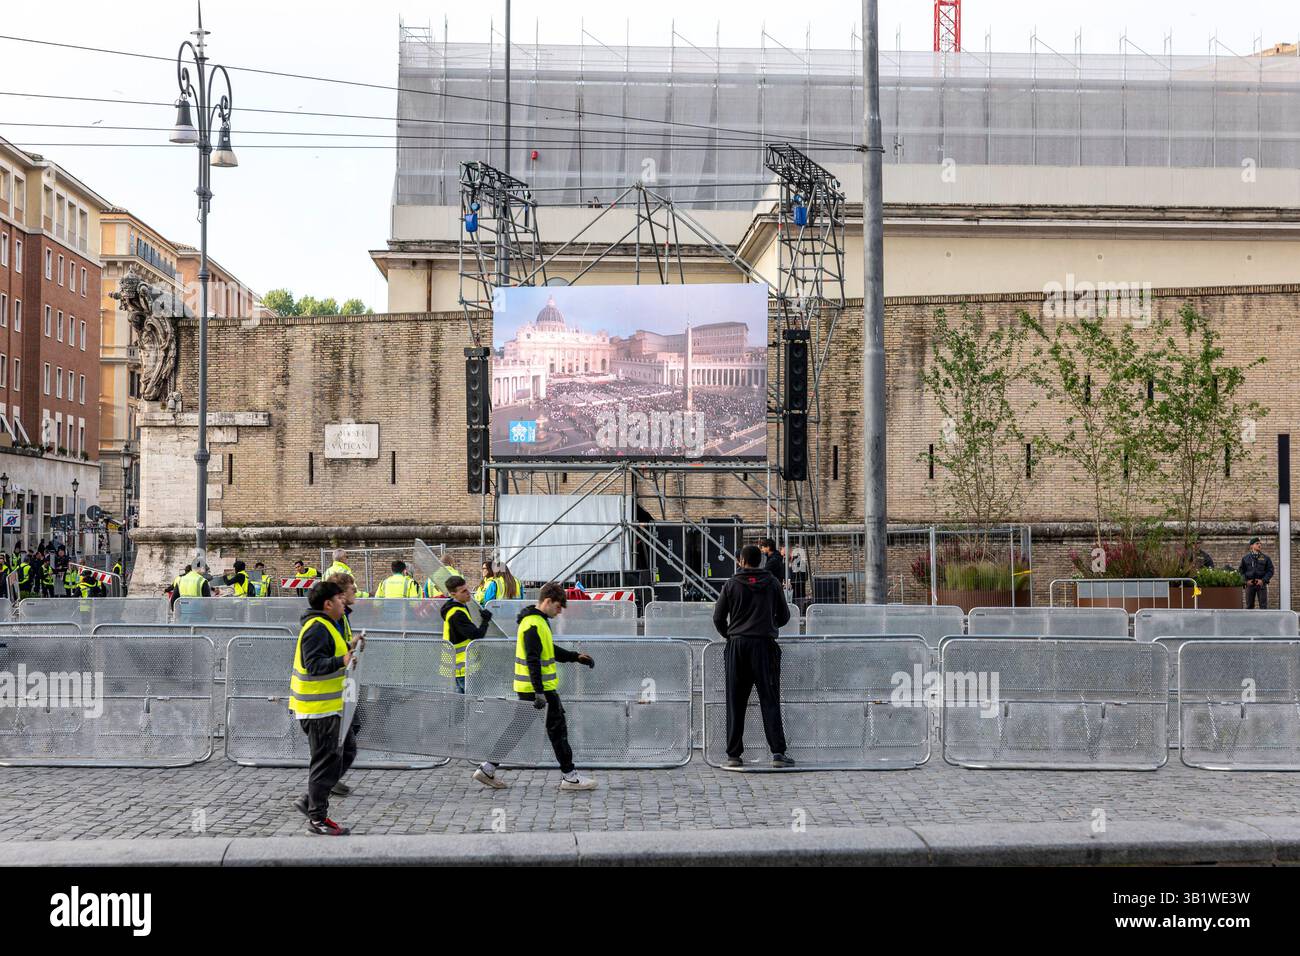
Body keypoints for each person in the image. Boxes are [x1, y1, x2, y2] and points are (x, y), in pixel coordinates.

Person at [475, 582, 598, 791]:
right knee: (557, 731)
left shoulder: (536, 621)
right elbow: (532, 659)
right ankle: (570, 777)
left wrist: (575, 657)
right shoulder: (534, 624)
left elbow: (548, 650)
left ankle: (487, 768)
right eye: (558, 607)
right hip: (539, 690)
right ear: (548, 601)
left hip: (530, 688)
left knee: (517, 728)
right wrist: (540, 692)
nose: (559, 612)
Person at [289, 579, 362, 836]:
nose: (344, 602)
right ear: (328, 604)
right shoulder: (316, 628)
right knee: (324, 762)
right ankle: (317, 818)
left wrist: (351, 649)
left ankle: (311, 801)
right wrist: (343, 659)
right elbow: (315, 665)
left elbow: (334, 657)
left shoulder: (328, 625)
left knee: (347, 752)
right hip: (319, 709)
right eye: (340, 599)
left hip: (332, 707)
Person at [712, 544, 794, 769]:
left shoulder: (731, 585)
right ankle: (777, 753)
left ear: (741, 561)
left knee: (735, 701)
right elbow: (785, 615)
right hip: (764, 646)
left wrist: (730, 635)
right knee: (770, 699)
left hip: (738, 646)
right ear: (761, 561)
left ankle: (734, 754)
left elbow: (718, 618)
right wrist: (769, 625)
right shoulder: (772, 583)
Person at [441, 575, 495, 693]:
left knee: (462, 704)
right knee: (468, 703)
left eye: (467, 589)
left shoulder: (456, 607)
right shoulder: (457, 614)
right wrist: (485, 621)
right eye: (463, 591)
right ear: (453, 594)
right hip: (462, 668)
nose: (468, 593)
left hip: (460, 667)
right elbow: (476, 635)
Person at [1239, 537, 1275, 609]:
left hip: (1261, 585)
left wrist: (1263, 580)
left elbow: (1270, 570)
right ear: (1251, 546)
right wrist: (1245, 581)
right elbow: (1241, 571)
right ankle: (1249, 620)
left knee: (1263, 606)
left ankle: (1263, 620)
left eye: (1260, 544)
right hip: (1250, 585)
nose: (1259, 545)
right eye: (1257, 543)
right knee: (1249, 606)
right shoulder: (1245, 558)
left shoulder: (1265, 558)